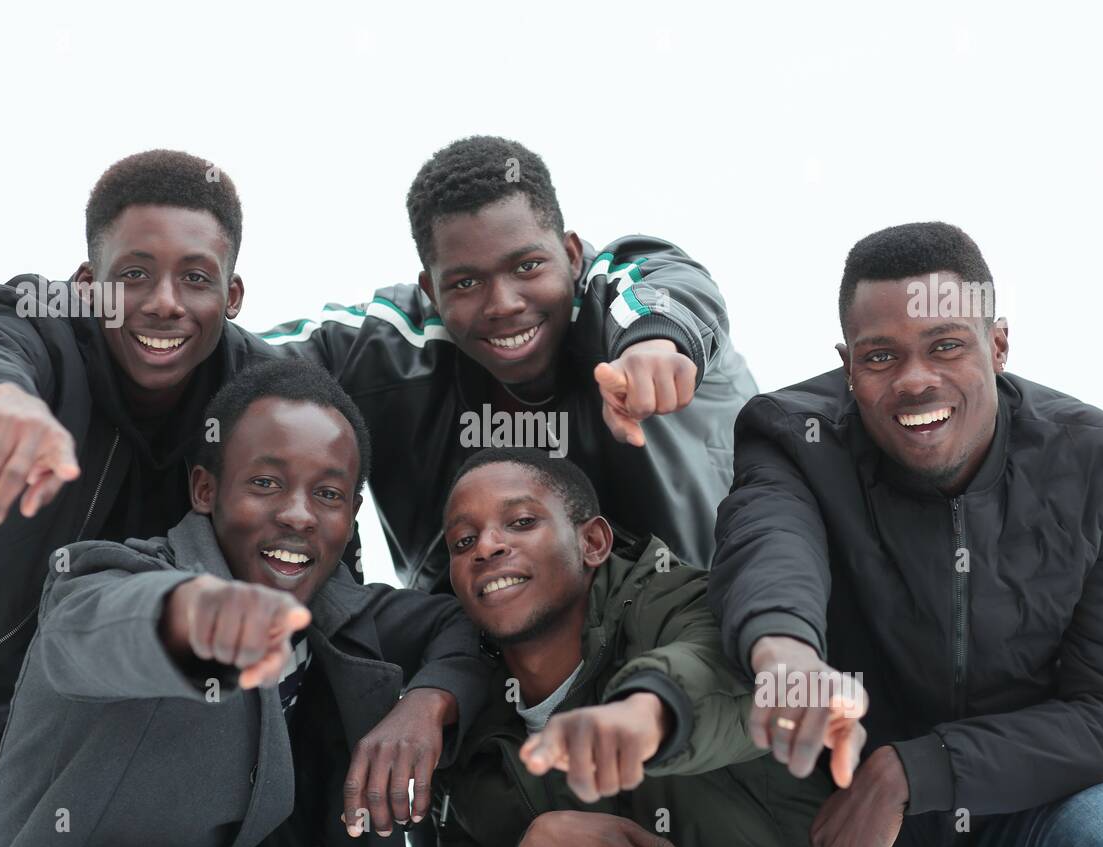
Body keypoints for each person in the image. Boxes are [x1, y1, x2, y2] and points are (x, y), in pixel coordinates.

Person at [0, 149, 313, 847]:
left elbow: (318, 540)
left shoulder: (261, 402)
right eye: (132, 274)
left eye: (195, 278)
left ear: (231, 295)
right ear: (84, 286)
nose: (164, 300)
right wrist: (0, 404)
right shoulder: (35, 324)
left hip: (39, 712)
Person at [708, 221, 1103, 847]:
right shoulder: (794, 438)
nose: (915, 380)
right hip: (833, 813)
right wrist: (786, 654)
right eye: (879, 356)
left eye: (946, 346)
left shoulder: (1098, 460)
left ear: (998, 345)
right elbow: (769, 541)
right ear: (847, 367)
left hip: (1025, 810)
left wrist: (916, 770)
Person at [0, 358, 491, 847]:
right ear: (206, 490)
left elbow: (459, 625)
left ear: (352, 514)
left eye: (328, 494)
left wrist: (427, 704)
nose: (298, 514)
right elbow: (89, 632)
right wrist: (191, 619)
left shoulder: (337, 605)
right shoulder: (111, 579)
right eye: (265, 483)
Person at [263, 135, 758, 593]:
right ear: (431, 291)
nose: (503, 303)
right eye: (466, 283)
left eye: (527, 267)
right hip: (481, 660)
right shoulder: (387, 346)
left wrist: (654, 344)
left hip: (702, 618)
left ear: (571, 255)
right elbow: (236, 363)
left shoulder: (622, 297)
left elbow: (661, 287)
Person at [431, 448, 836, 847]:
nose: (487, 547)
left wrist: (650, 711)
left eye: (521, 522)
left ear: (592, 542)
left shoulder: (686, 602)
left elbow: (716, 668)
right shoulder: (463, 740)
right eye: (463, 541)